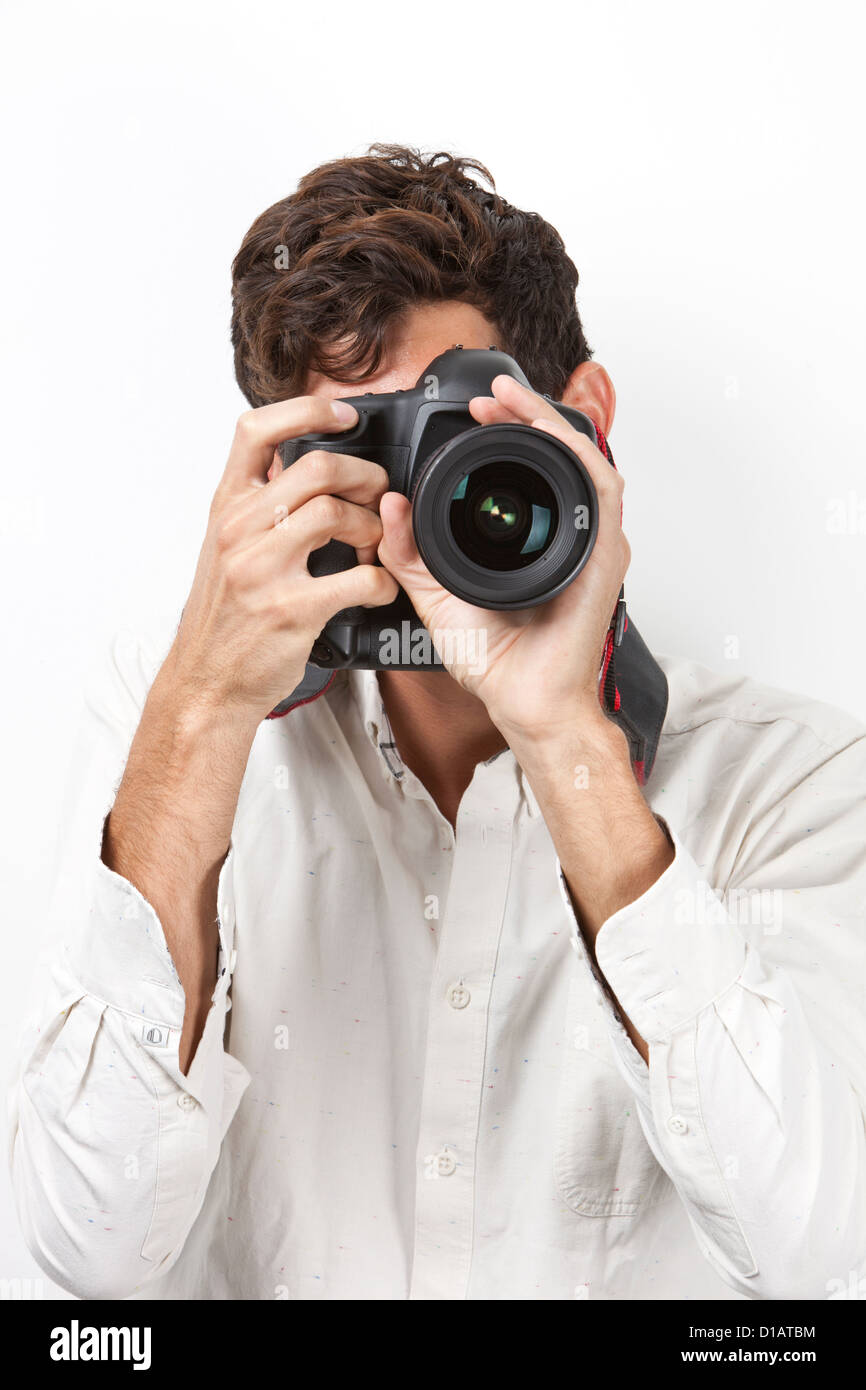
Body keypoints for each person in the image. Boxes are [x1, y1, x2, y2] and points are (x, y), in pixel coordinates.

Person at [10, 144, 866, 1301]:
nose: (419, 514)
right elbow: (80, 1267)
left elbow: (818, 1261)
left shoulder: (794, 782)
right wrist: (204, 702)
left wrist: (565, 737)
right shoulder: (173, 729)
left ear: (587, 421)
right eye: (365, 456)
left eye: (460, 438)